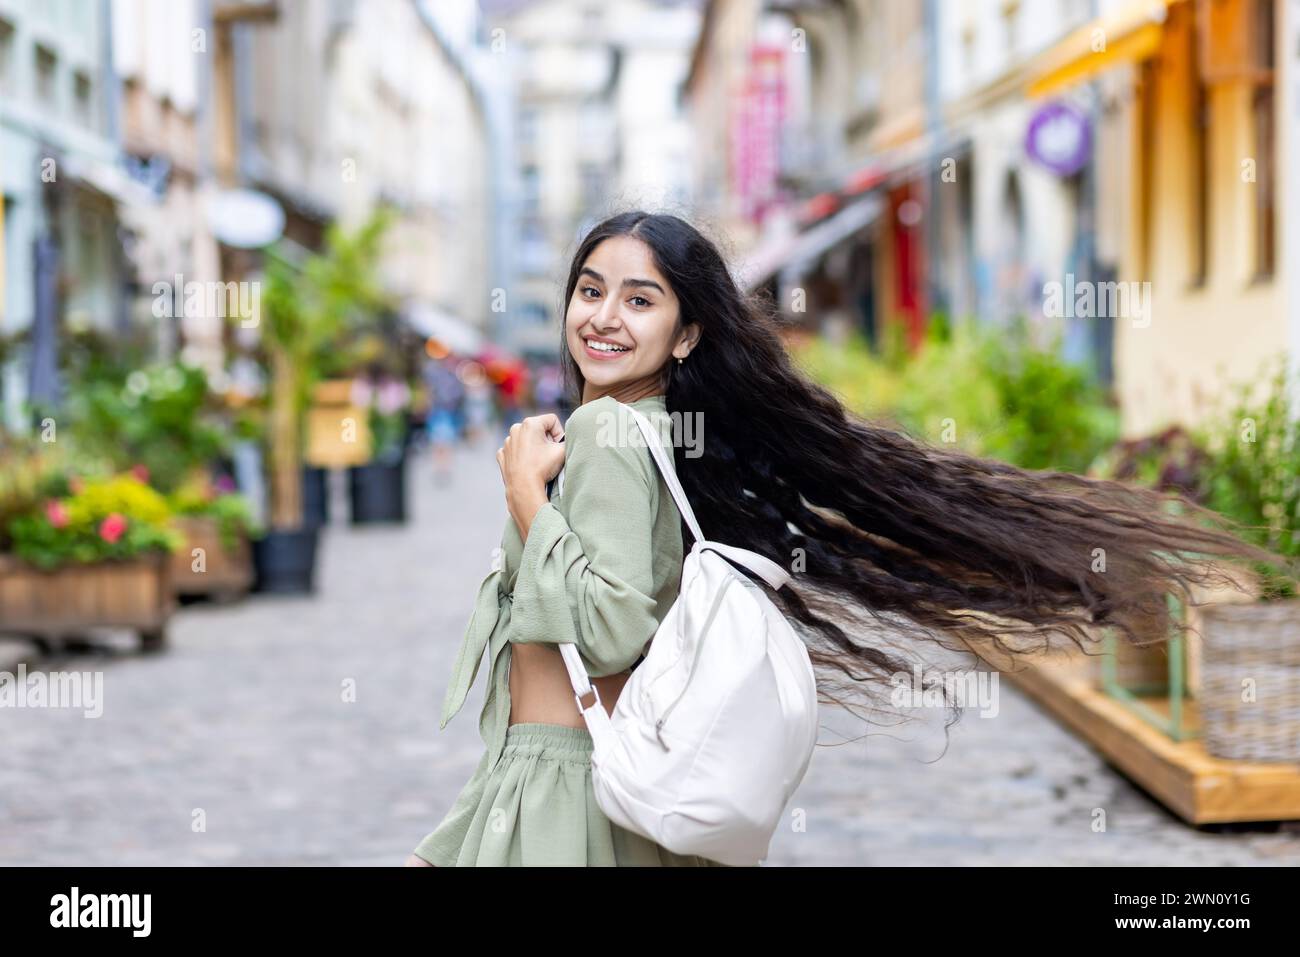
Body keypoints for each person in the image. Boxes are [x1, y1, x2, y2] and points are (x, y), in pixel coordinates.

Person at [407, 211, 1286, 868]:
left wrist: (528, 494)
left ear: (686, 334)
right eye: (590, 289)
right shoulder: (661, 432)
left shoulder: (604, 437)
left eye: (641, 299)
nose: (603, 316)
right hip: (578, 785)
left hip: (566, 792)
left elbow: (604, 627)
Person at [422, 355, 464, 485]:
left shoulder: (451, 377)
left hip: (446, 414)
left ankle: (443, 467)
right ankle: (442, 467)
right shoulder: (439, 376)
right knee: (440, 443)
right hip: (440, 414)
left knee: (443, 443)